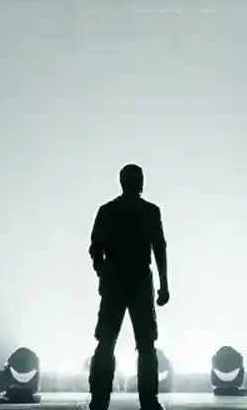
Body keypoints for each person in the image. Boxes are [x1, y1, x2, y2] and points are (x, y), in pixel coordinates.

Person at [88, 164, 169, 410]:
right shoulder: (150, 211)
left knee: (106, 342)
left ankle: (99, 399)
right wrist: (164, 285)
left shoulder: (108, 211)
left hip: (115, 281)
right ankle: (148, 400)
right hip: (139, 281)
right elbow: (159, 249)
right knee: (146, 344)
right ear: (139, 182)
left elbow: (95, 248)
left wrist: (103, 271)